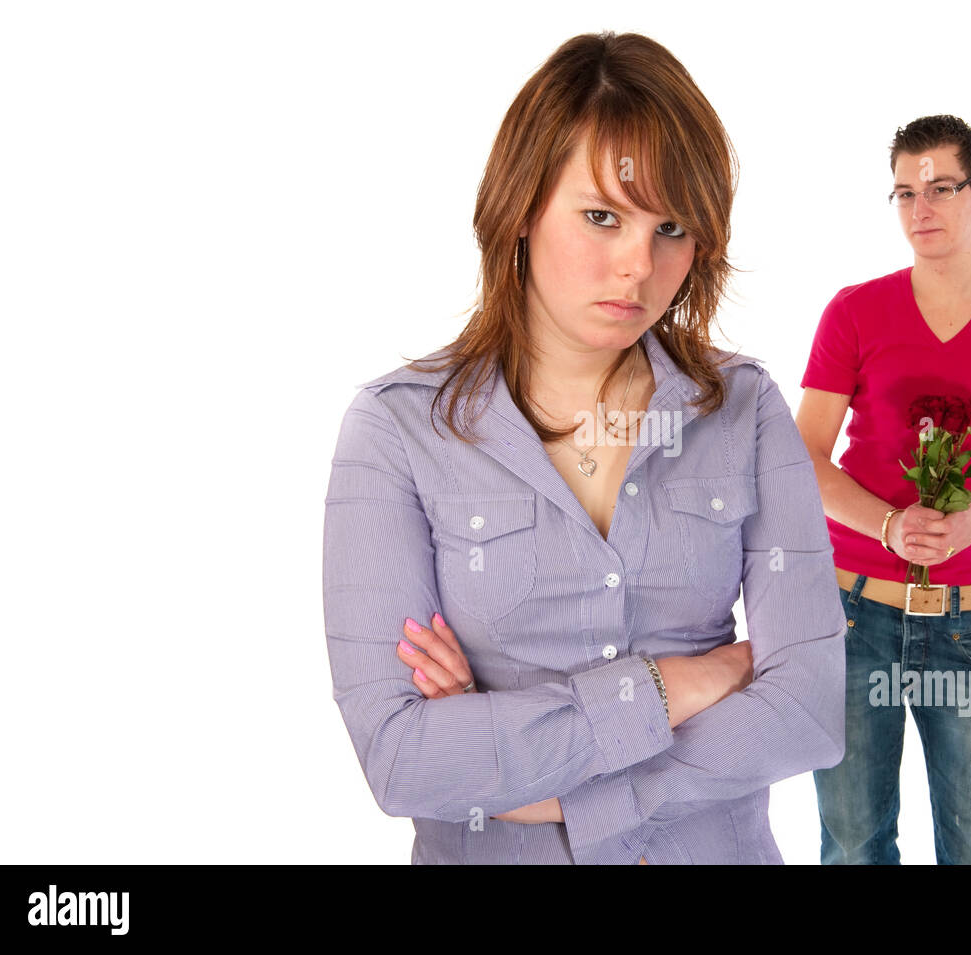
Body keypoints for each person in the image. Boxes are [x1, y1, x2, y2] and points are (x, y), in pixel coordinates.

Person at [321, 31, 847, 865]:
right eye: (602, 216)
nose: (638, 265)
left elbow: (810, 712)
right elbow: (404, 758)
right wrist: (682, 683)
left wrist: (511, 761)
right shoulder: (396, 431)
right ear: (522, 206)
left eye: (672, 227)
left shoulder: (745, 409)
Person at [796, 115, 971, 864]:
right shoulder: (855, 312)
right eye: (904, 192)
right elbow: (802, 459)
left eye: (941, 187)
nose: (920, 208)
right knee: (853, 842)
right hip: (856, 615)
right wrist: (889, 525)